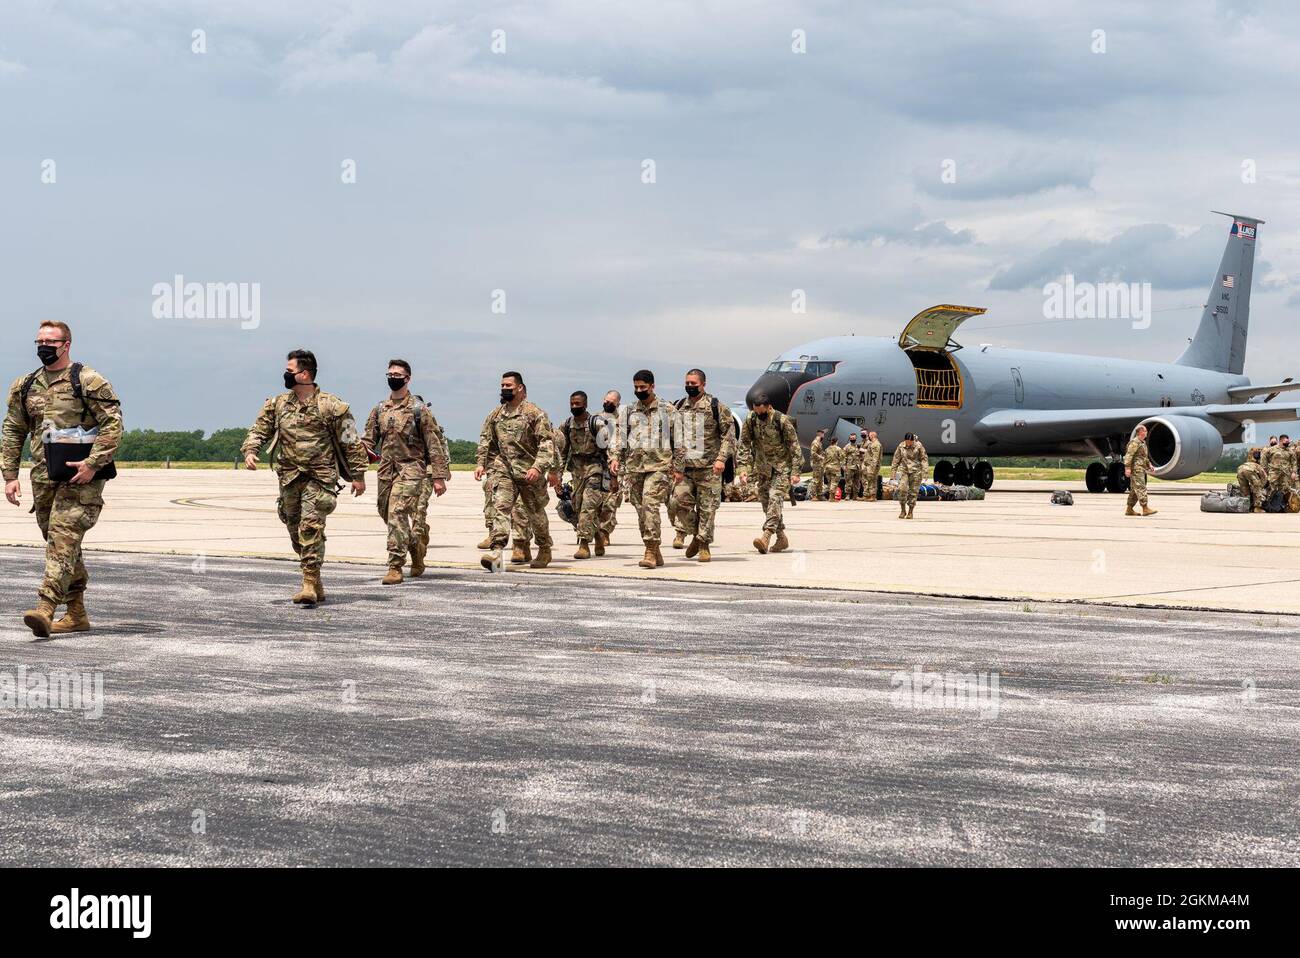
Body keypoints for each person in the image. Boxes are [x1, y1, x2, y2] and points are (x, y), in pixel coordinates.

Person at [2, 321, 123, 636]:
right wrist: (10, 475)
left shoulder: (89, 381)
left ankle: (45, 607)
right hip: (43, 476)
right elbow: (14, 429)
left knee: (62, 536)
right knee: (61, 543)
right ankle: (76, 614)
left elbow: (113, 425)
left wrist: (94, 464)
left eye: (51, 341)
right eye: (40, 340)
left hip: (82, 477)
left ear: (67, 344)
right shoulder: (25, 385)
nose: (44, 345)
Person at [242, 349, 369, 604]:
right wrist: (250, 450)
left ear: (305, 374)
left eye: (290, 371)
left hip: (319, 477)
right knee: (294, 530)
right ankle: (315, 579)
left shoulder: (332, 405)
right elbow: (259, 430)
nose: (286, 375)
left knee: (310, 527)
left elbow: (350, 441)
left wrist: (358, 475)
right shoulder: (277, 404)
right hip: (289, 477)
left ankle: (309, 583)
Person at [364, 360, 450, 584]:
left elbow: (433, 443)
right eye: (390, 373)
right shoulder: (379, 409)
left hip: (411, 469)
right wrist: (354, 466)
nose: (393, 377)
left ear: (408, 378)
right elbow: (368, 441)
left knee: (397, 514)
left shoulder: (418, 410)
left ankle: (395, 566)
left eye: (398, 374)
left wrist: (439, 477)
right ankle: (416, 545)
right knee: (386, 513)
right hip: (386, 471)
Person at [475, 372, 559, 570]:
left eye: (509, 386)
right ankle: (496, 552)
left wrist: (538, 467)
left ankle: (544, 548)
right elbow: (487, 440)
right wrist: (481, 463)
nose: (504, 389)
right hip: (504, 469)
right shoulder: (496, 415)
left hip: (529, 472)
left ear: (520, 388)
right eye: (502, 385)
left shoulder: (534, 413)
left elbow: (547, 444)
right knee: (501, 508)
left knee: (535, 513)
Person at [609, 370, 685, 569]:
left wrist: (678, 468)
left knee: (650, 504)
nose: (639, 391)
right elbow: (619, 438)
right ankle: (655, 551)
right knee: (641, 509)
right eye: (636, 387)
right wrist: (616, 458)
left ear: (652, 386)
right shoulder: (629, 411)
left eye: (643, 387)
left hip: (660, 466)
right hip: (635, 468)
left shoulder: (667, 410)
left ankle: (650, 549)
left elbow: (679, 441)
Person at [668, 369, 736, 562]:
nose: (689, 386)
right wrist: (674, 466)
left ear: (703, 384)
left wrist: (721, 459)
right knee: (677, 503)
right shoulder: (679, 407)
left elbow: (728, 436)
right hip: (685, 468)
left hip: (709, 468)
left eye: (693, 383)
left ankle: (704, 545)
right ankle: (697, 535)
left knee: (707, 509)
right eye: (687, 383)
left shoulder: (716, 407)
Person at [737, 393, 801, 553]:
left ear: (769, 407)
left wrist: (795, 471)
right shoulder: (751, 419)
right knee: (766, 503)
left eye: (762, 412)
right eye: (756, 412)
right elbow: (744, 443)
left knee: (774, 498)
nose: (759, 415)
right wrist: (743, 468)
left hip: (781, 468)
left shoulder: (782, 421)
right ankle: (781, 538)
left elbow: (794, 446)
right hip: (763, 468)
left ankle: (766, 536)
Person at [558, 391, 613, 559]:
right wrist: (557, 476)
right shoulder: (567, 425)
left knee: (588, 507)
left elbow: (610, 449)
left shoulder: (596, 424)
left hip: (595, 469)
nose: (575, 407)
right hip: (576, 472)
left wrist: (614, 474)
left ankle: (583, 544)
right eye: (572, 404)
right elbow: (562, 452)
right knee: (575, 507)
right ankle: (597, 535)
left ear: (585, 404)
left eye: (578, 404)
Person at [595, 390, 623, 553]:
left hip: (617, 467)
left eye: (612, 402)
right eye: (607, 400)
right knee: (596, 502)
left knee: (610, 502)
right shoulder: (595, 419)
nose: (608, 403)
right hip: (598, 465)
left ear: (618, 404)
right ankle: (596, 531)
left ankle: (605, 532)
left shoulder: (623, 421)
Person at [891, 432, 929, 519]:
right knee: (902, 489)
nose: (908, 443)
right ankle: (903, 510)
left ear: (913, 441)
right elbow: (896, 459)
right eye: (906, 441)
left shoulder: (919, 446)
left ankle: (910, 511)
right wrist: (893, 472)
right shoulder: (901, 446)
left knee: (913, 492)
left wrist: (925, 471)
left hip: (916, 471)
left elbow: (924, 458)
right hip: (904, 470)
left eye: (910, 442)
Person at [1123, 424, 1157, 517]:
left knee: (1134, 490)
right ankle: (1145, 508)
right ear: (1140, 432)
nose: (1146, 432)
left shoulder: (1142, 443)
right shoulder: (1135, 442)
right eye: (1145, 431)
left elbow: (1143, 457)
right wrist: (1127, 468)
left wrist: (1149, 465)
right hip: (1136, 469)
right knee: (1141, 487)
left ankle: (1129, 509)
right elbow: (1129, 456)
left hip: (1141, 468)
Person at [1265, 434, 1297, 501]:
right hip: (1274, 473)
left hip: (1286, 474)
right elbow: (1264, 458)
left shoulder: (1290, 451)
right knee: (1271, 489)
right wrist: (1265, 469)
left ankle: (1283, 506)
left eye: (1288, 441)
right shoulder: (1271, 449)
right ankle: (1269, 505)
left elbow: (1294, 462)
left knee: (1286, 489)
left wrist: (1294, 472)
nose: (1287, 443)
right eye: (1286, 441)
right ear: (1281, 441)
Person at [1236, 449, 1267, 513]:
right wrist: (1263, 486)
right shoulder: (1259, 466)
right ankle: (1257, 508)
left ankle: (1246, 506)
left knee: (1244, 489)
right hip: (1249, 470)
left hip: (1240, 469)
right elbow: (1264, 479)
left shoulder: (1248, 462)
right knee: (1258, 488)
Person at [862, 430, 883, 501]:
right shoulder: (872, 444)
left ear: (872, 436)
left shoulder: (876, 444)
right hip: (869, 465)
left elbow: (875, 457)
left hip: (872, 466)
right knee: (869, 480)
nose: (868, 437)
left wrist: (873, 467)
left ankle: (873, 496)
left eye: (869, 436)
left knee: (873, 480)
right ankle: (867, 495)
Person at [807, 429, 826, 500]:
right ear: (820, 434)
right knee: (816, 479)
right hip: (816, 464)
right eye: (823, 434)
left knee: (820, 480)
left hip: (820, 464)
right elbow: (813, 453)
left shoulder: (819, 442)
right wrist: (821, 457)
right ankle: (813, 495)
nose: (824, 436)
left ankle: (820, 494)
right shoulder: (815, 443)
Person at [844, 433, 863, 500]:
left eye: (854, 438)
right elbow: (844, 456)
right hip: (849, 467)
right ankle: (848, 495)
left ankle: (855, 495)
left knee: (857, 481)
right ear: (849, 438)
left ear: (856, 438)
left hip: (857, 466)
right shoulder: (847, 447)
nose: (853, 439)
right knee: (848, 481)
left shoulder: (859, 446)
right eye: (851, 438)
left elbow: (862, 456)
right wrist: (844, 465)